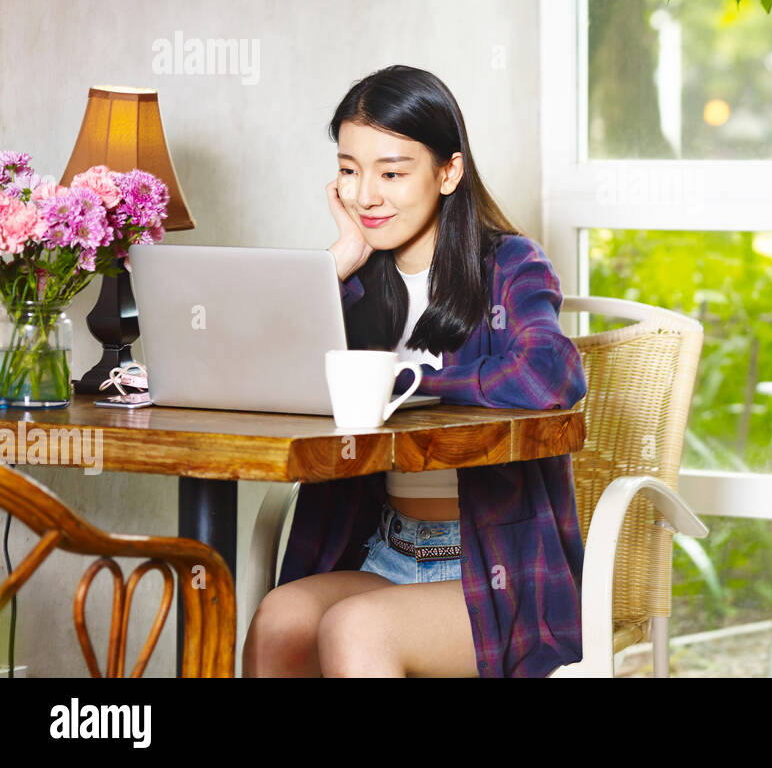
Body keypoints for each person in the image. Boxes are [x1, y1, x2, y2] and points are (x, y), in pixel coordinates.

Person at [242, 65, 588, 678]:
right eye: (349, 170)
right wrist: (337, 263)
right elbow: (263, 372)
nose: (366, 195)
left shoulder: (510, 263)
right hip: (386, 552)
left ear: (448, 172)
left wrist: (405, 384)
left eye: (392, 173)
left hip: (494, 569)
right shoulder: (355, 282)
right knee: (280, 619)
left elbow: (549, 375)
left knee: (357, 627)